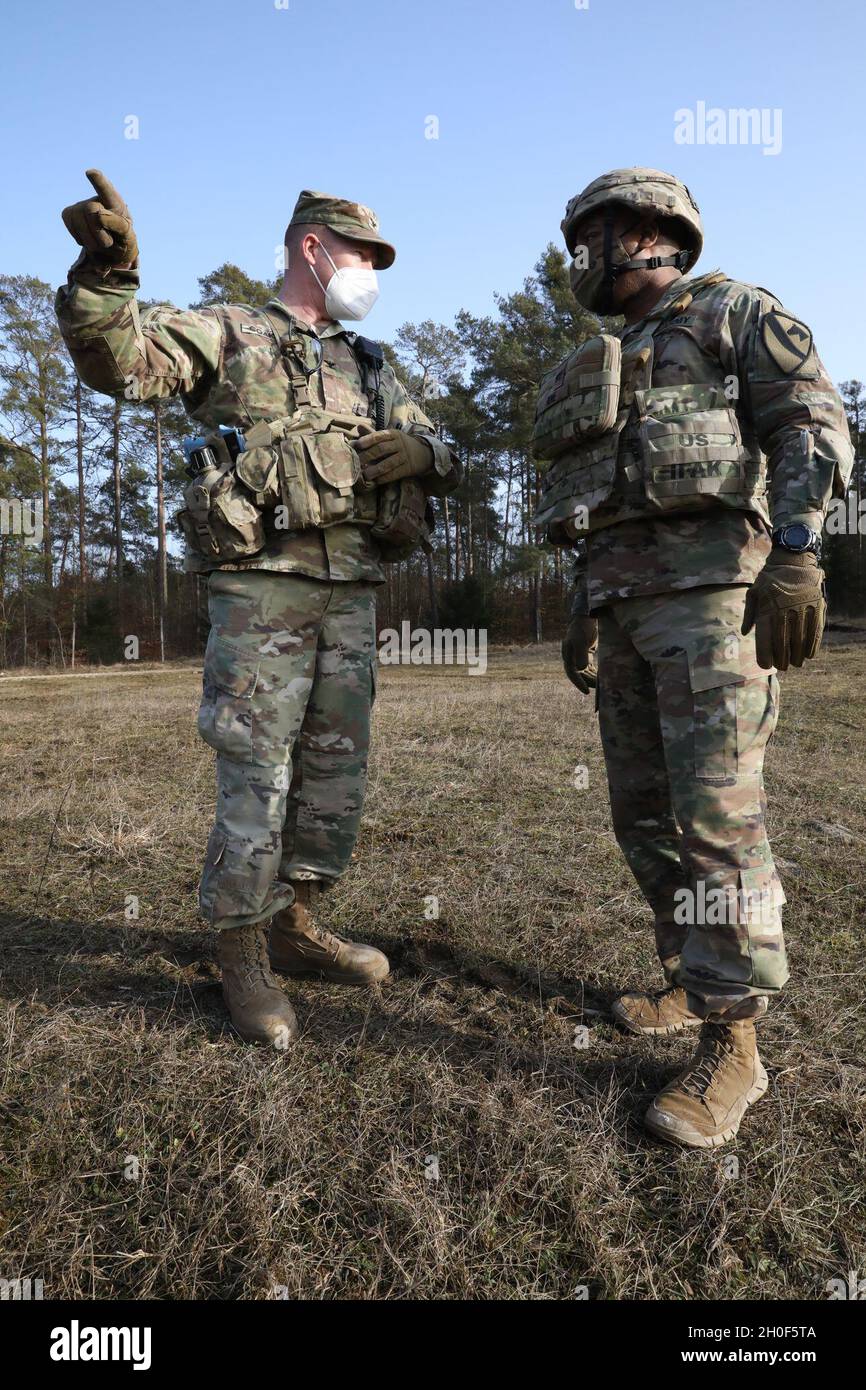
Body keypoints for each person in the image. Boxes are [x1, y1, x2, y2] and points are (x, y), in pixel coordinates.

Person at [57, 172, 461, 1050]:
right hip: (262, 591)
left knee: (333, 775)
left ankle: (297, 921)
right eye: (363, 254)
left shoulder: (370, 362)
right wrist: (107, 273)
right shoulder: (230, 328)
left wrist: (421, 448)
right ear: (314, 249)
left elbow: (448, 450)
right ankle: (241, 953)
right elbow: (120, 363)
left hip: (352, 593)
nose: (372, 271)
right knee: (256, 773)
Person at [533, 168, 853, 1146]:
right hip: (624, 615)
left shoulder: (728, 314)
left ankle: (733, 1047)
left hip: (714, 604)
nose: (576, 256)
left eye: (587, 235)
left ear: (642, 229)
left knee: (716, 825)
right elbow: (599, 498)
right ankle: (686, 977)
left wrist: (796, 555)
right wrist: (585, 606)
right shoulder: (604, 356)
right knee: (641, 816)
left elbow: (808, 422)